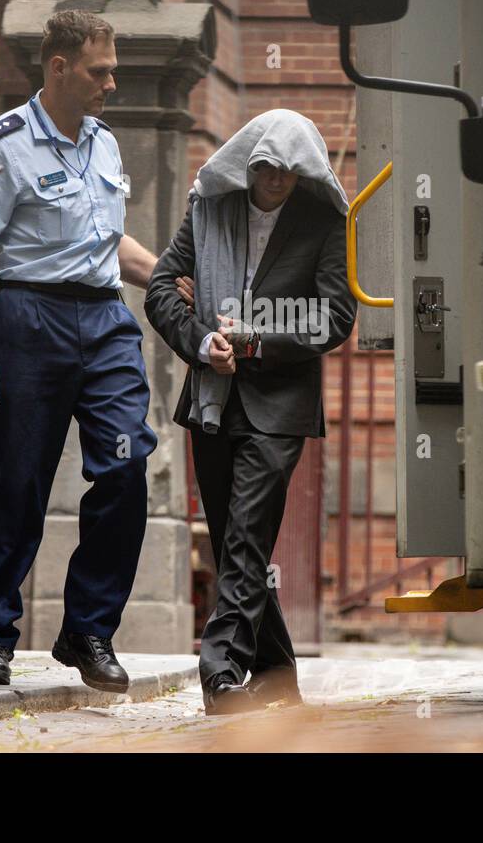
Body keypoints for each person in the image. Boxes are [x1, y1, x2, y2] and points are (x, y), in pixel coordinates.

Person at [145, 109, 357, 715]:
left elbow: (334, 318)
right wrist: (201, 343)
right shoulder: (210, 207)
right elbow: (162, 286)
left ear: (303, 175)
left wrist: (254, 338)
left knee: (244, 534)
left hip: (281, 406)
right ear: (249, 162)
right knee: (240, 544)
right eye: (267, 170)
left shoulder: (323, 220)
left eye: (289, 174)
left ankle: (219, 670)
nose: (276, 181)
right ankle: (276, 675)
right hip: (213, 399)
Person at [0, 10, 160, 691]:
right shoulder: (4, 143)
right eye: (100, 70)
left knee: (126, 464)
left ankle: (87, 629)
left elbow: (109, 244)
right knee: (18, 480)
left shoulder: (104, 145)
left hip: (104, 320)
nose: (111, 82)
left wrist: (173, 277)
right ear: (59, 68)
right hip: (27, 317)